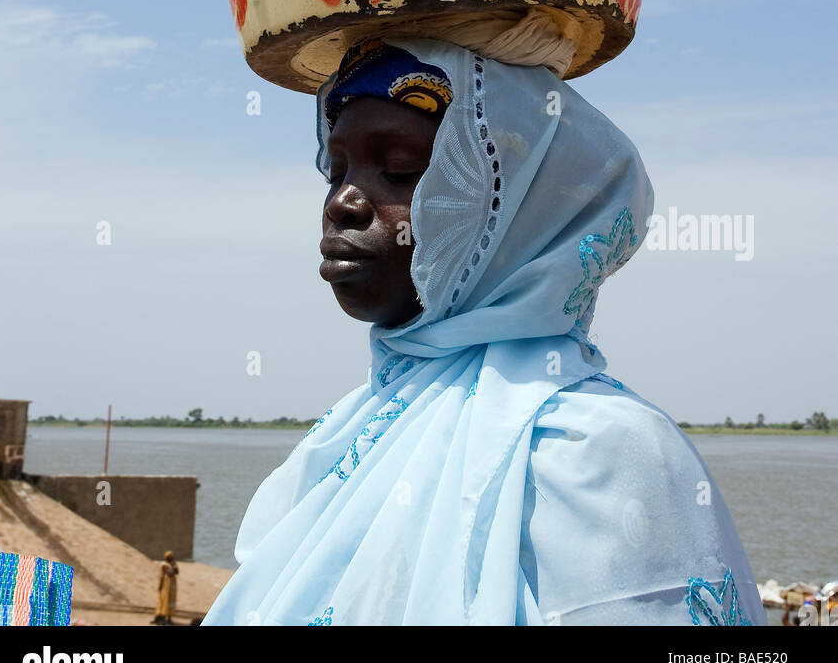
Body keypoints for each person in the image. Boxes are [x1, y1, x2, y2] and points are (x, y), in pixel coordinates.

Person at [203, 37, 764, 627]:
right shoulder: (352, 429)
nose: (342, 202)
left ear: (524, 210)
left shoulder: (591, 448)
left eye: (397, 170)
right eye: (336, 170)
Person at [152, 551, 178, 626]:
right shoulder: (164, 565)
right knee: (164, 602)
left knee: (170, 602)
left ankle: (169, 619)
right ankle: (161, 619)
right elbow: (170, 573)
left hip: (171, 587)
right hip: (165, 587)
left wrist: (174, 566)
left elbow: (176, 572)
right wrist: (173, 567)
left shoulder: (172, 564)